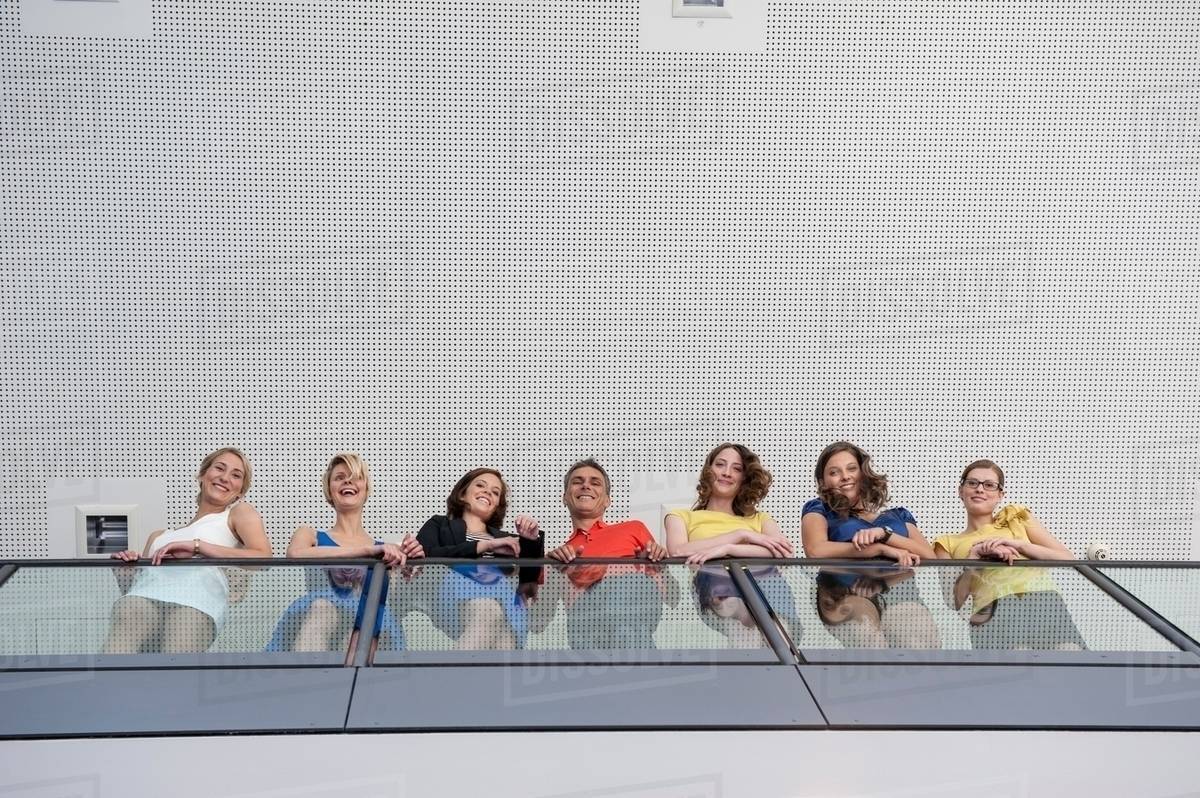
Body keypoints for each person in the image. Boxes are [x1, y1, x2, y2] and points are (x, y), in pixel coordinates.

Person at [103, 447, 271, 654]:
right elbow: (137, 585)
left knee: (177, 662)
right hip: (142, 599)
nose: (225, 478)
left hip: (196, 604)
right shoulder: (159, 536)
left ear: (240, 492)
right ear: (202, 475)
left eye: (236, 475)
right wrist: (125, 573)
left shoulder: (237, 513)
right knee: (119, 651)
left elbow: (263, 557)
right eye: (219, 468)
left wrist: (198, 546)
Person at [265, 453, 424, 660]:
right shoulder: (311, 534)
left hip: (365, 628)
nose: (348, 481)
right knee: (322, 610)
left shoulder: (385, 549)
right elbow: (295, 554)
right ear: (329, 490)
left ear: (366, 489)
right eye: (339, 477)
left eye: (355, 476)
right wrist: (367, 551)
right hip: (320, 617)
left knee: (363, 628)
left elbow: (396, 595)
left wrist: (412, 563)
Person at [932, 459, 1085, 650]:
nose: (980, 489)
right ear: (960, 491)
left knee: (1070, 655)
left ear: (1000, 495)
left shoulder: (1016, 517)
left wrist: (1018, 546)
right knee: (1016, 666)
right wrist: (973, 558)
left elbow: (1068, 559)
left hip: (1044, 603)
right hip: (994, 612)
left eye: (989, 485)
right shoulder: (946, 543)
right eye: (972, 483)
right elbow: (953, 600)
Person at [801, 441, 940, 648]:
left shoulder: (897, 516)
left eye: (851, 469)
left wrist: (884, 535)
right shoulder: (819, 509)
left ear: (863, 473)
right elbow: (816, 550)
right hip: (844, 593)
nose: (845, 476)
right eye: (834, 472)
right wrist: (879, 549)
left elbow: (930, 557)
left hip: (900, 591)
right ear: (823, 482)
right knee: (870, 645)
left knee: (919, 648)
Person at [540, 459, 670, 649]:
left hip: (631, 609)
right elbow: (538, 623)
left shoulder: (633, 529)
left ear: (607, 500)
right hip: (589, 629)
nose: (585, 486)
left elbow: (673, 597)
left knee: (628, 593)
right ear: (565, 497)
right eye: (577, 482)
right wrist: (552, 571)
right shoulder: (560, 556)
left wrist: (659, 567)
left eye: (595, 482)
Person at [416, 468, 544, 649]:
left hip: (507, 602)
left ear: (497, 505)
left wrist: (531, 540)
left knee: (506, 646)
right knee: (488, 610)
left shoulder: (506, 538)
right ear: (462, 494)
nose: (487, 492)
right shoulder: (440, 525)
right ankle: (447, 677)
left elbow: (529, 579)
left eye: (495, 492)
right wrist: (483, 545)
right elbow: (425, 556)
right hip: (459, 595)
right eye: (480, 485)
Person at [663, 443, 794, 564]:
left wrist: (728, 549)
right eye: (720, 465)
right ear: (708, 471)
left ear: (744, 478)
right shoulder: (679, 517)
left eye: (737, 469)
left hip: (762, 585)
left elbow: (786, 553)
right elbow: (678, 551)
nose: (727, 473)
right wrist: (742, 534)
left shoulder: (761, 519)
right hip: (711, 586)